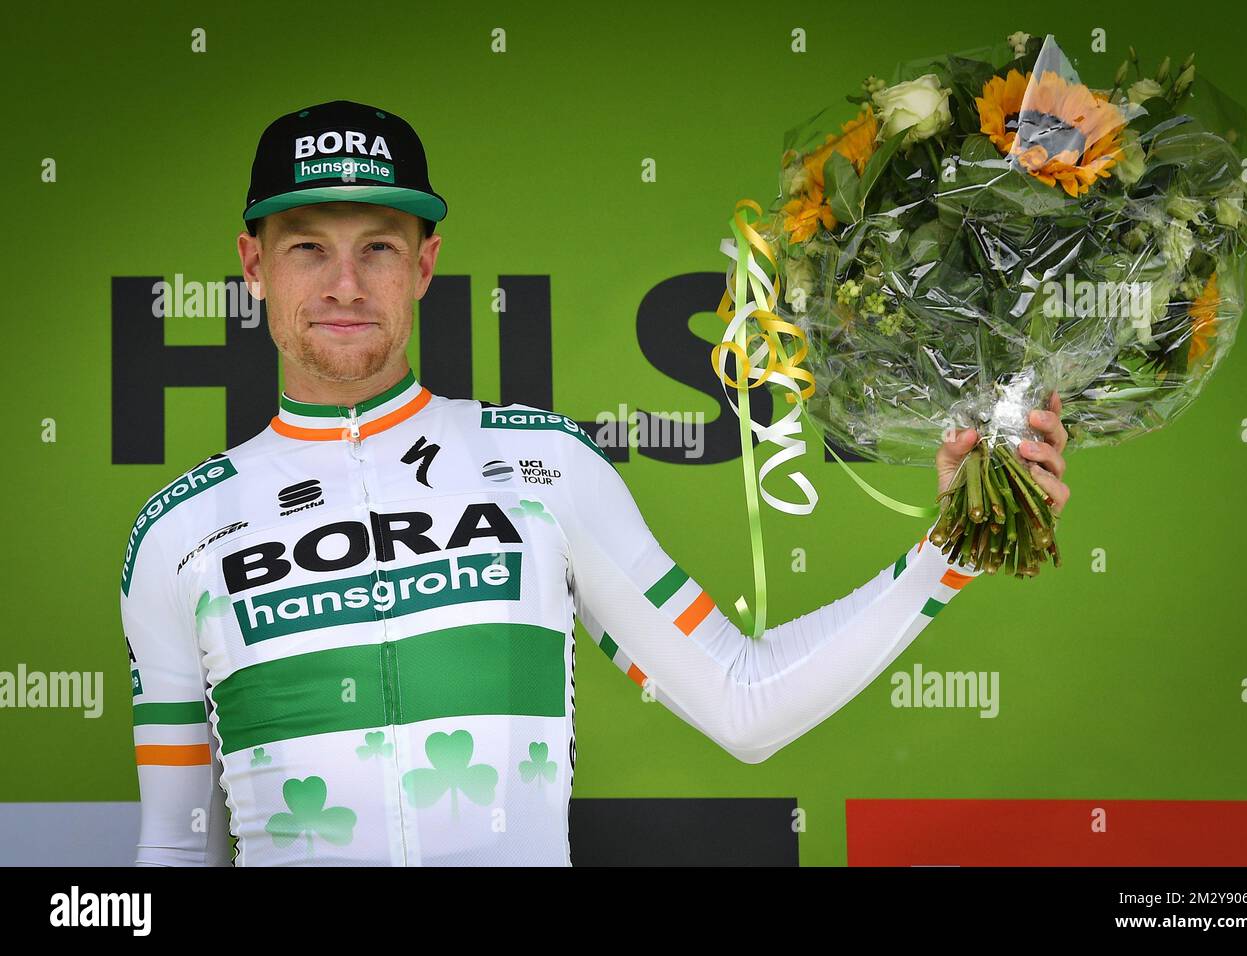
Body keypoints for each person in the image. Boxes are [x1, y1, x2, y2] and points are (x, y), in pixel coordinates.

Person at [121, 100, 1071, 867]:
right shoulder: (179, 532)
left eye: (377, 245)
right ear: (253, 267)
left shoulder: (545, 466)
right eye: (306, 247)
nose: (344, 283)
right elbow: (173, 843)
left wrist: (951, 549)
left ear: (425, 264)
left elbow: (745, 706)